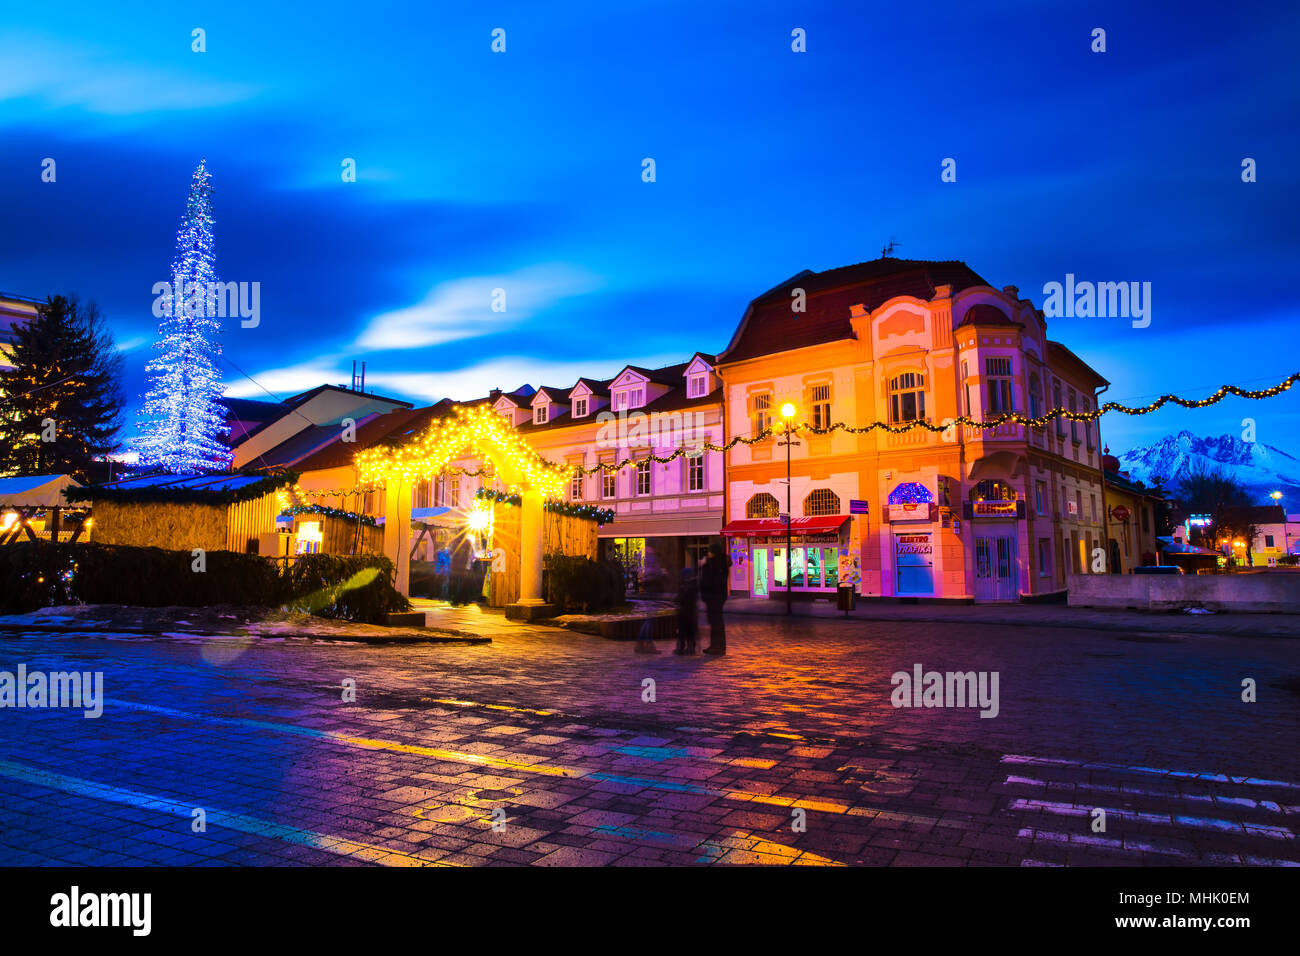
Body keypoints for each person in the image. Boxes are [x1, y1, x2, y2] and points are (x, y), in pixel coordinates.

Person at [699, 541, 731, 655]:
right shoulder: (718, 563)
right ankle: (715, 646)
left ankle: (718, 647)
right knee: (715, 622)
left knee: (716, 622)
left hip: (715, 597)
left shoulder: (716, 564)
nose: (708, 553)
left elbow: (711, 580)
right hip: (715, 596)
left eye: (709, 551)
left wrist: (704, 565)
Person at [674, 566, 699, 655]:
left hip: (686, 611)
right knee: (688, 630)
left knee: (685, 630)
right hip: (689, 612)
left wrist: (678, 599)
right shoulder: (692, 585)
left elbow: (682, 598)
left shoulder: (687, 586)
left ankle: (684, 647)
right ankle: (688, 647)